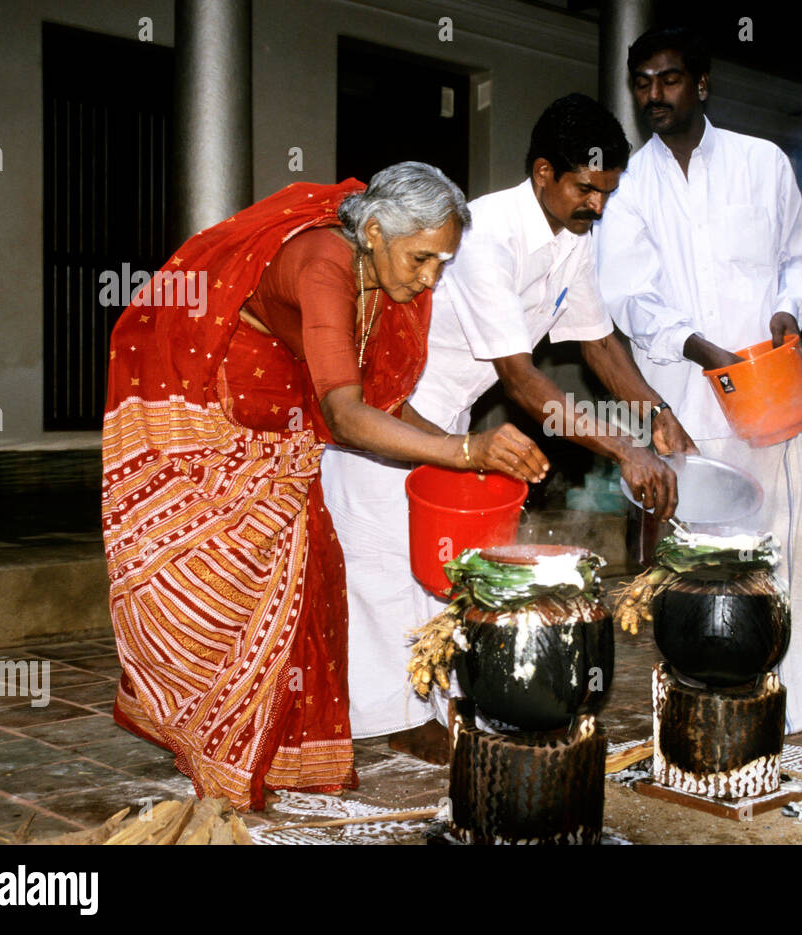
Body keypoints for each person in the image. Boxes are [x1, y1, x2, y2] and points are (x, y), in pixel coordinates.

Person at [102, 163, 547, 810]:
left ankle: (267, 749)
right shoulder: (324, 264)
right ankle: (214, 735)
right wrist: (467, 447)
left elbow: (385, 403)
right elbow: (344, 414)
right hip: (220, 410)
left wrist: (470, 462)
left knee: (301, 578)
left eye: (441, 263)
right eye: (421, 258)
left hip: (282, 416)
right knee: (226, 584)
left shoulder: (389, 276)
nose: (429, 278)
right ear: (372, 230)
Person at [322, 94, 695, 758]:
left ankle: (433, 706)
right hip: (389, 416)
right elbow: (522, 381)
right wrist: (623, 451)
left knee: (438, 571)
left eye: (607, 191)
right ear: (544, 172)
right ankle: (394, 721)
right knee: (382, 569)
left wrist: (656, 413)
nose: (598, 205)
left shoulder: (574, 238)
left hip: (447, 420)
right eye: (586, 188)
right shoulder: (487, 235)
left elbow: (600, 346)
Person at [595, 27, 802, 733]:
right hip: (684, 403)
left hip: (771, 392)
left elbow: (801, 257)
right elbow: (628, 297)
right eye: (642, 82)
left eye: (669, 79)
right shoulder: (629, 185)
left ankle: (801, 698)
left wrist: (787, 312)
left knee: (793, 532)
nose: (654, 96)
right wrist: (702, 350)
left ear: (701, 84)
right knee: (701, 557)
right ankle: (708, 695)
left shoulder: (762, 164)